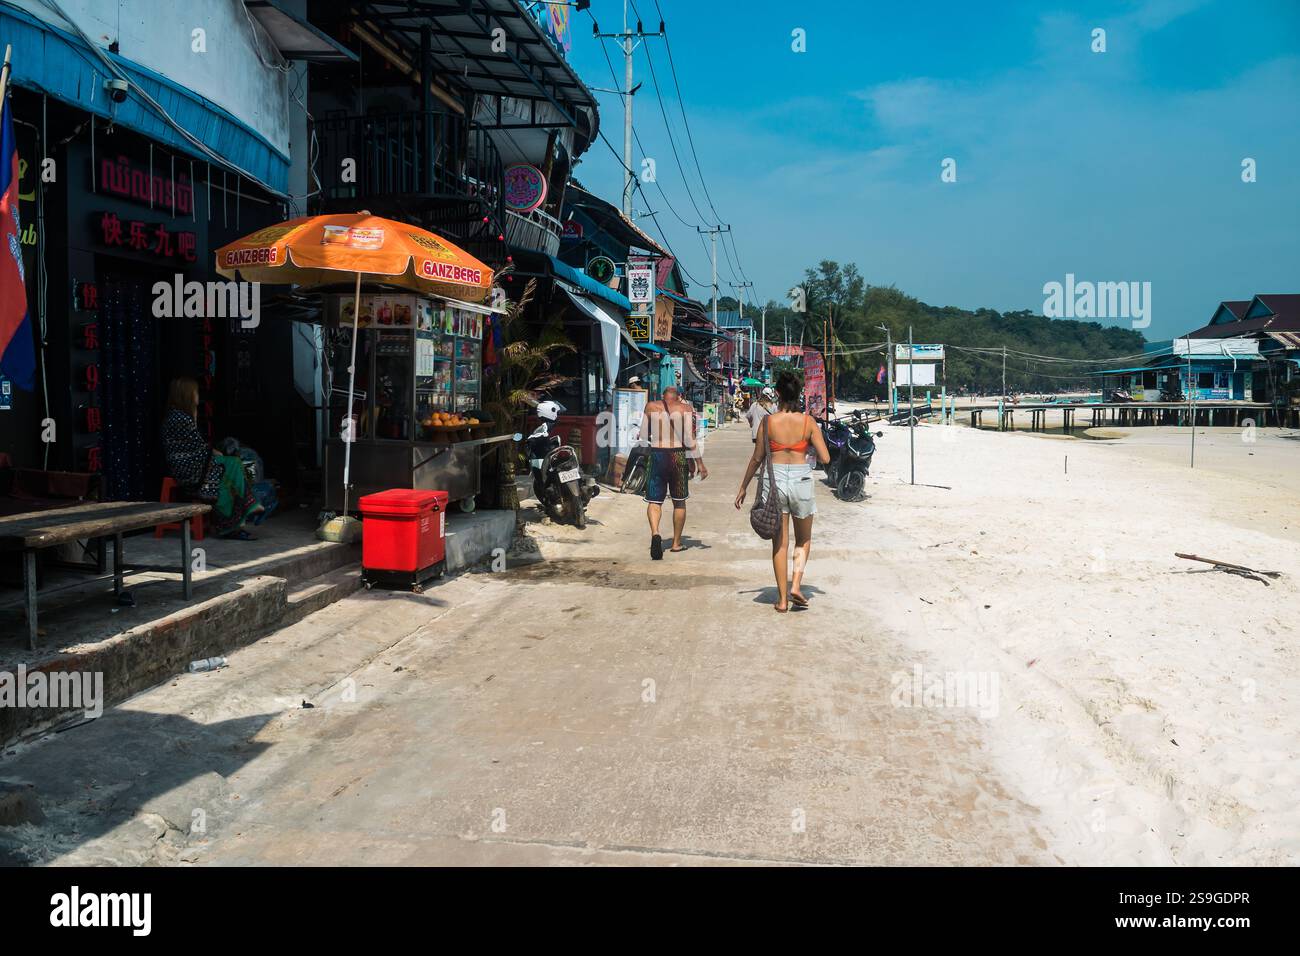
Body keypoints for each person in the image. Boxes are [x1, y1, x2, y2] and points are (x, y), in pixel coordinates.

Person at [734, 371, 830, 612]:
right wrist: (806, 449)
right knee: (804, 539)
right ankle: (796, 584)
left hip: (774, 479)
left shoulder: (768, 422)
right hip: (801, 479)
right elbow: (826, 457)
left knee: (780, 542)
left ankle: (782, 600)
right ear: (799, 395)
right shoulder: (809, 422)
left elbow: (757, 459)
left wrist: (743, 487)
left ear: (777, 393)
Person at [161, 377, 264, 539]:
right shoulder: (181, 418)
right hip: (190, 469)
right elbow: (195, 449)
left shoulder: (180, 416)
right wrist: (213, 453)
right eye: (195, 392)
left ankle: (240, 517)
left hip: (196, 463)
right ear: (186, 395)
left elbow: (196, 445)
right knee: (231, 466)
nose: (197, 396)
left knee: (232, 465)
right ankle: (240, 516)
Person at [638, 385, 708, 559]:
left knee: (655, 500)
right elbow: (689, 438)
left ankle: (655, 533)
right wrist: (698, 463)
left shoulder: (651, 407)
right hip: (678, 456)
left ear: (663, 396)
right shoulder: (686, 409)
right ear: (678, 396)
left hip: (657, 454)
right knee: (679, 501)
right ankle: (676, 543)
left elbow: (643, 434)